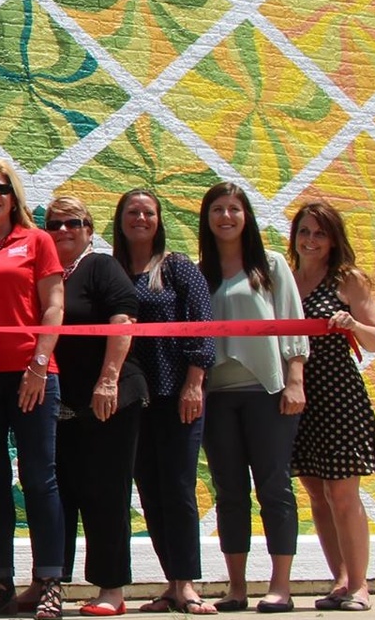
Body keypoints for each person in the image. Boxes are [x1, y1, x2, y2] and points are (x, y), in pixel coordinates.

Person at [0, 158, 64, 620]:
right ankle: (1, 584)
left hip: (33, 377)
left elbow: (53, 306)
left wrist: (38, 366)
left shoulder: (37, 241)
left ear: (13, 195)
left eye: (1, 188)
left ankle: (50, 584)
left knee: (39, 480)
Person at [196, 183, 306, 614]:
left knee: (275, 488)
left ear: (247, 216)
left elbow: (293, 325)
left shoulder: (271, 265)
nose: (226, 217)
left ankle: (280, 586)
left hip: (268, 393)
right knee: (229, 492)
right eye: (217, 210)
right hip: (217, 397)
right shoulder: (199, 271)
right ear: (207, 219)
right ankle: (237, 587)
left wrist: (295, 379)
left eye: (234, 209)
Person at [109, 189, 215, 615]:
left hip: (176, 394)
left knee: (178, 487)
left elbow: (203, 325)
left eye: (147, 212)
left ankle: (186, 583)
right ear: (120, 220)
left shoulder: (176, 268)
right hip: (134, 399)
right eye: (132, 212)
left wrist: (194, 381)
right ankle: (170, 582)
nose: (140, 218)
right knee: (149, 491)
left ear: (158, 220)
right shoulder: (112, 270)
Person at [287, 201, 375, 613]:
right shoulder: (287, 281)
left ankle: (360, 585)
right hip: (298, 395)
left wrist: (354, 324)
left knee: (343, 493)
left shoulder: (348, 281)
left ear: (333, 240)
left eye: (319, 233)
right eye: (304, 232)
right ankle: (341, 578)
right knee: (316, 493)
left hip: (339, 395)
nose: (310, 241)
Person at [44, 196, 141, 617]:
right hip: (62, 405)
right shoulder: (47, 273)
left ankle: (111, 590)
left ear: (89, 228)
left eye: (74, 222)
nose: (63, 230)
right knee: (60, 494)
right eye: (54, 223)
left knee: (106, 494)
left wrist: (109, 379)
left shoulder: (101, 266)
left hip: (110, 399)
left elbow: (123, 321)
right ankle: (52, 584)